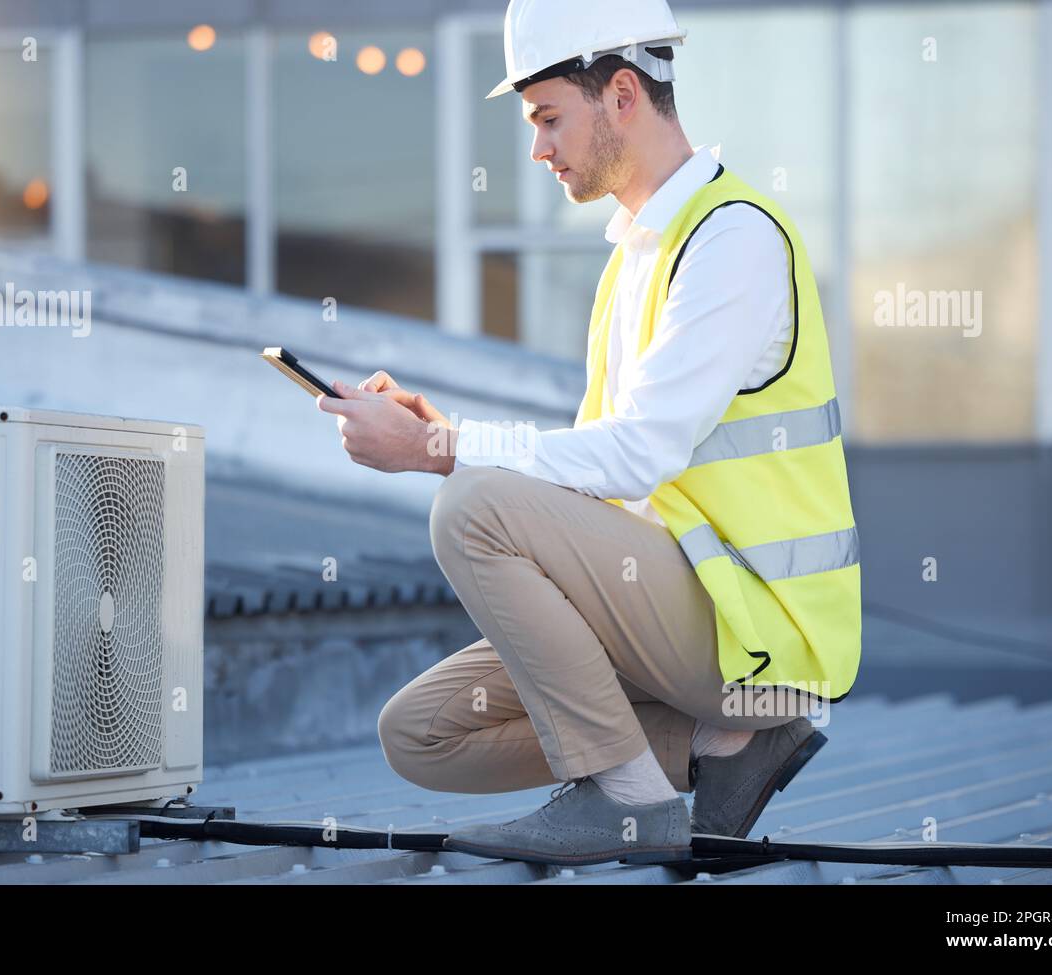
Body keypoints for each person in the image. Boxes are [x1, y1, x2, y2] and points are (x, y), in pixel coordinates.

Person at [316, 0, 861, 867]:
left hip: (759, 634)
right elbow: (598, 475)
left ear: (620, 94)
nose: (537, 148)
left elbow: (638, 454)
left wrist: (440, 453)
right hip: (681, 620)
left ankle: (630, 800)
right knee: (420, 734)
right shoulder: (637, 255)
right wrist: (446, 433)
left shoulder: (732, 240)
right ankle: (721, 745)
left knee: (471, 508)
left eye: (547, 118)